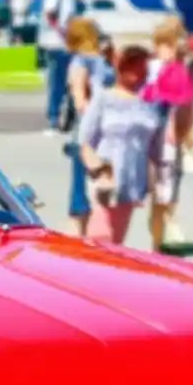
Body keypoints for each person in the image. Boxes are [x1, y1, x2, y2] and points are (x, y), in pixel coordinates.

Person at [76, 45, 165, 244]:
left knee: (116, 242)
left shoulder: (150, 103)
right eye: (130, 65)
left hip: (132, 181)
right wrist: (100, 170)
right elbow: (84, 142)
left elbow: (155, 148)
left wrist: (157, 180)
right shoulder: (104, 98)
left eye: (140, 66)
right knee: (100, 239)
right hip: (105, 179)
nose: (135, 71)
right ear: (120, 67)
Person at [143, 16, 193, 252]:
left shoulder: (177, 70)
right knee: (160, 191)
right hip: (158, 136)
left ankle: (158, 241)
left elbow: (185, 106)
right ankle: (160, 236)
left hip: (164, 137)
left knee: (161, 193)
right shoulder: (159, 68)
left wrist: (185, 135)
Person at [63, 19, 113, 235]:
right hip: (107, 130)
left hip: (86, 132)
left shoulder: (80, 62)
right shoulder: (104, 62)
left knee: (81, 189)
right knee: (100, 188)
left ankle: (78, 236)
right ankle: (94, 234)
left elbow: (79, 99)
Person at [40, 0, 89, 135]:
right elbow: (49, 14)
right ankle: (53, 120)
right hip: (55, 44)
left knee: (73, 82)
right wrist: (62, 32)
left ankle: (69, 119)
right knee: (57, 82)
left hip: (70, 45)